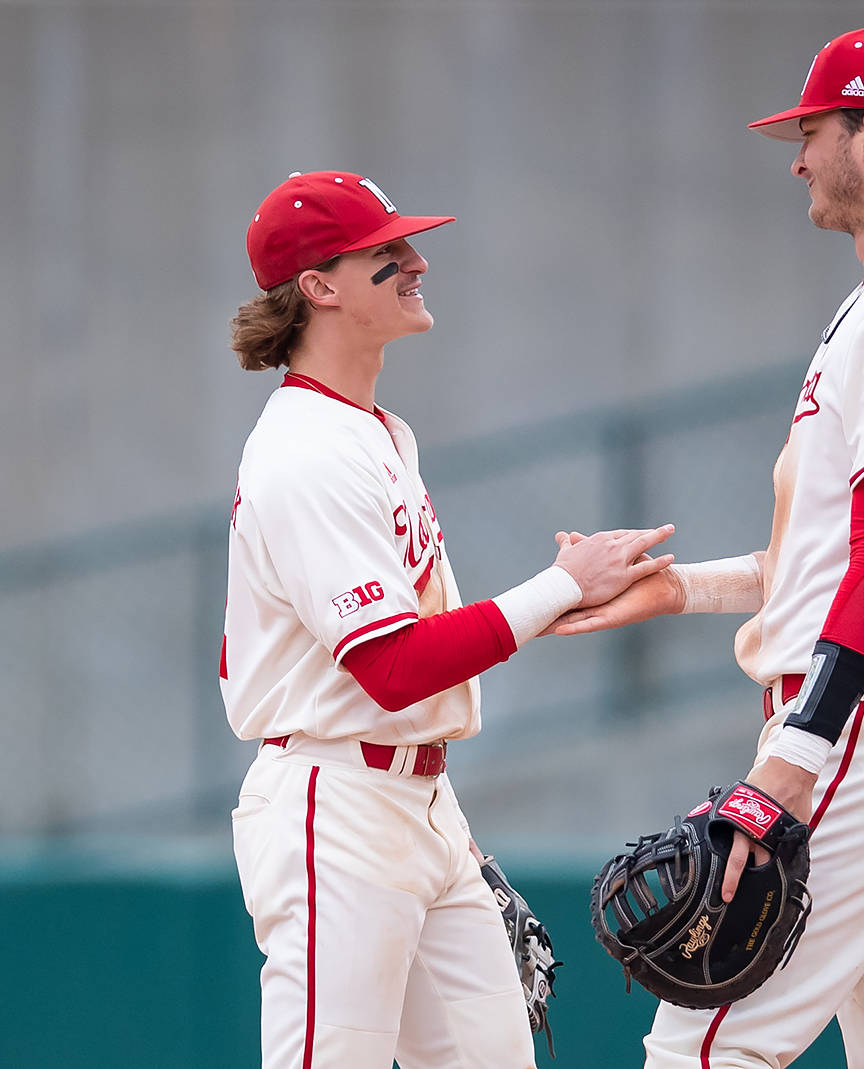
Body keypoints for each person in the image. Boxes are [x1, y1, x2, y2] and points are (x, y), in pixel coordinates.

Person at [554, 26, 864, 1068]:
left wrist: (789, 764)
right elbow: (834, 558)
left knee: (701, 1050)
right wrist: (679, 588)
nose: (795, 158)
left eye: (809, 130)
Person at [222, 169, 675, 1069]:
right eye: (387, 252)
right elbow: (390, 665)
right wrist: (557, 586)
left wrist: (441, 815)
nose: (416, 260)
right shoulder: (304, 451)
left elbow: (412, 663)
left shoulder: (378, 432)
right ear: (319, 287)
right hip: (333, 800)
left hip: (415, 795)